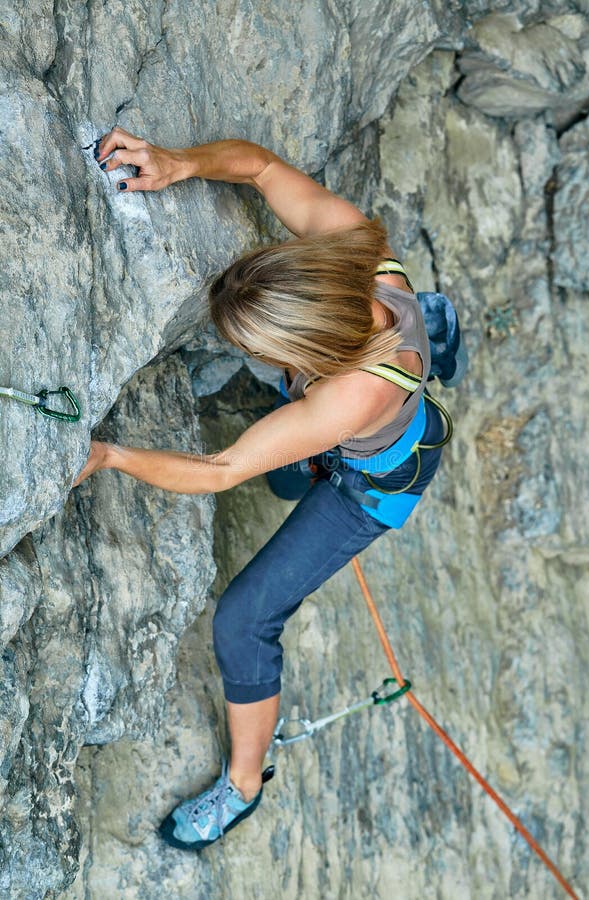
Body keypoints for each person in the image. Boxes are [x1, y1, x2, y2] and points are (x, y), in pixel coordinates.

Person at [75, 127, 446, 850]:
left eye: (262, 353)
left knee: (243, 620)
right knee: (283, 467)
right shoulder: (360, 253)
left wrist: (111, 455)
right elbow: (263, 166)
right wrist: (177, 163)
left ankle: (243, 787)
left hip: (369, 489)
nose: (250, 358)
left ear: (313, 355)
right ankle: (301, 462)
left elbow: (219, 472)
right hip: (337, 428)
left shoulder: (349, 399)